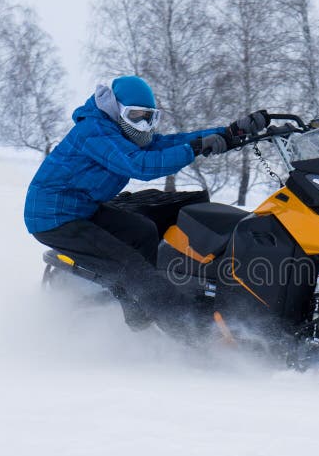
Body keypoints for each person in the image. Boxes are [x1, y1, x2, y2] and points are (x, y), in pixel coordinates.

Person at [25, 75, 268, 333]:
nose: (143, 124)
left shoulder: (120, 131)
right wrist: (195, 149)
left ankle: (139, 313)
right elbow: (140, 165)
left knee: (143, 231)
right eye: (136, 115)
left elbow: (168, 143)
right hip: (54, 217)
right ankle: (186, 328)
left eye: (149, 117)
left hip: (82, 207)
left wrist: (228, 133)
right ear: (116, 109)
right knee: (129, 265)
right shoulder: (94, 131)